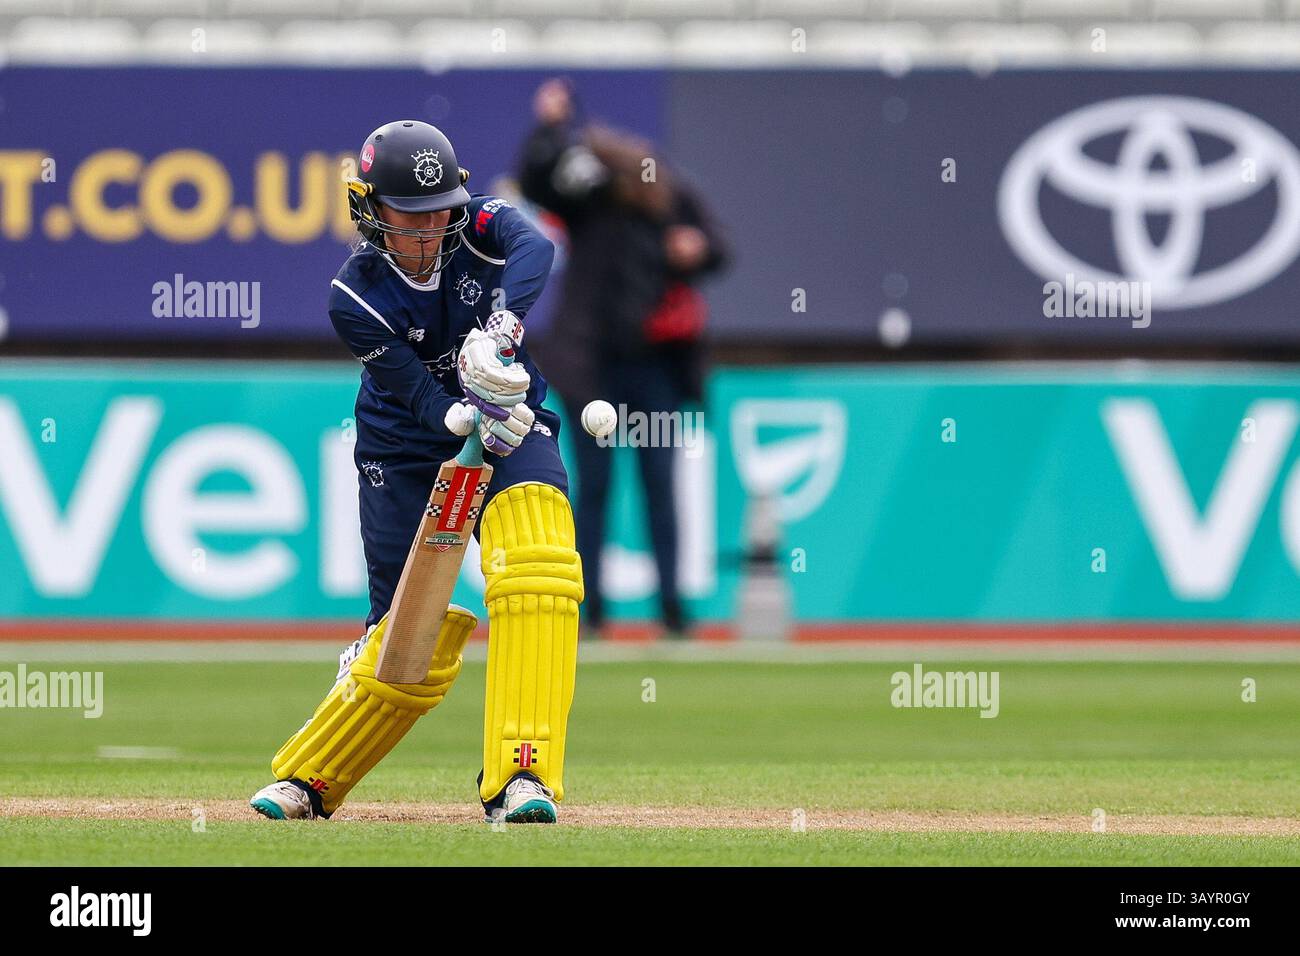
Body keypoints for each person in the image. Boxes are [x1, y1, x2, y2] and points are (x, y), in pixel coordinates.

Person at [248, 120, 583, 824]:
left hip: (512, 421)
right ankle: (311, 782)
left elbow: (538, 245)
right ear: (369, 209)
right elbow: (425, 401)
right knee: (406, 633)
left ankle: (522, 780)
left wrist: (501, 336)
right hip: (404, 445)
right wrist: (465, 414)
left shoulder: (483, 228)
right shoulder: (355, 297)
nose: (431, 228)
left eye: (440, 210)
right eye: (410, 212)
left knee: (540, 566)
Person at [518, 79, 728, 639]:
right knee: (595, 490)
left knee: (660, 489)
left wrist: (697, 249)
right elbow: (538, 181)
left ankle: (672, 609)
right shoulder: (594, 203)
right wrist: (548, 129)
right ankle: (592, 611)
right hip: (595, 373)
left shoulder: (675, 200)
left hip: (656, 370)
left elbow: (718, 247)